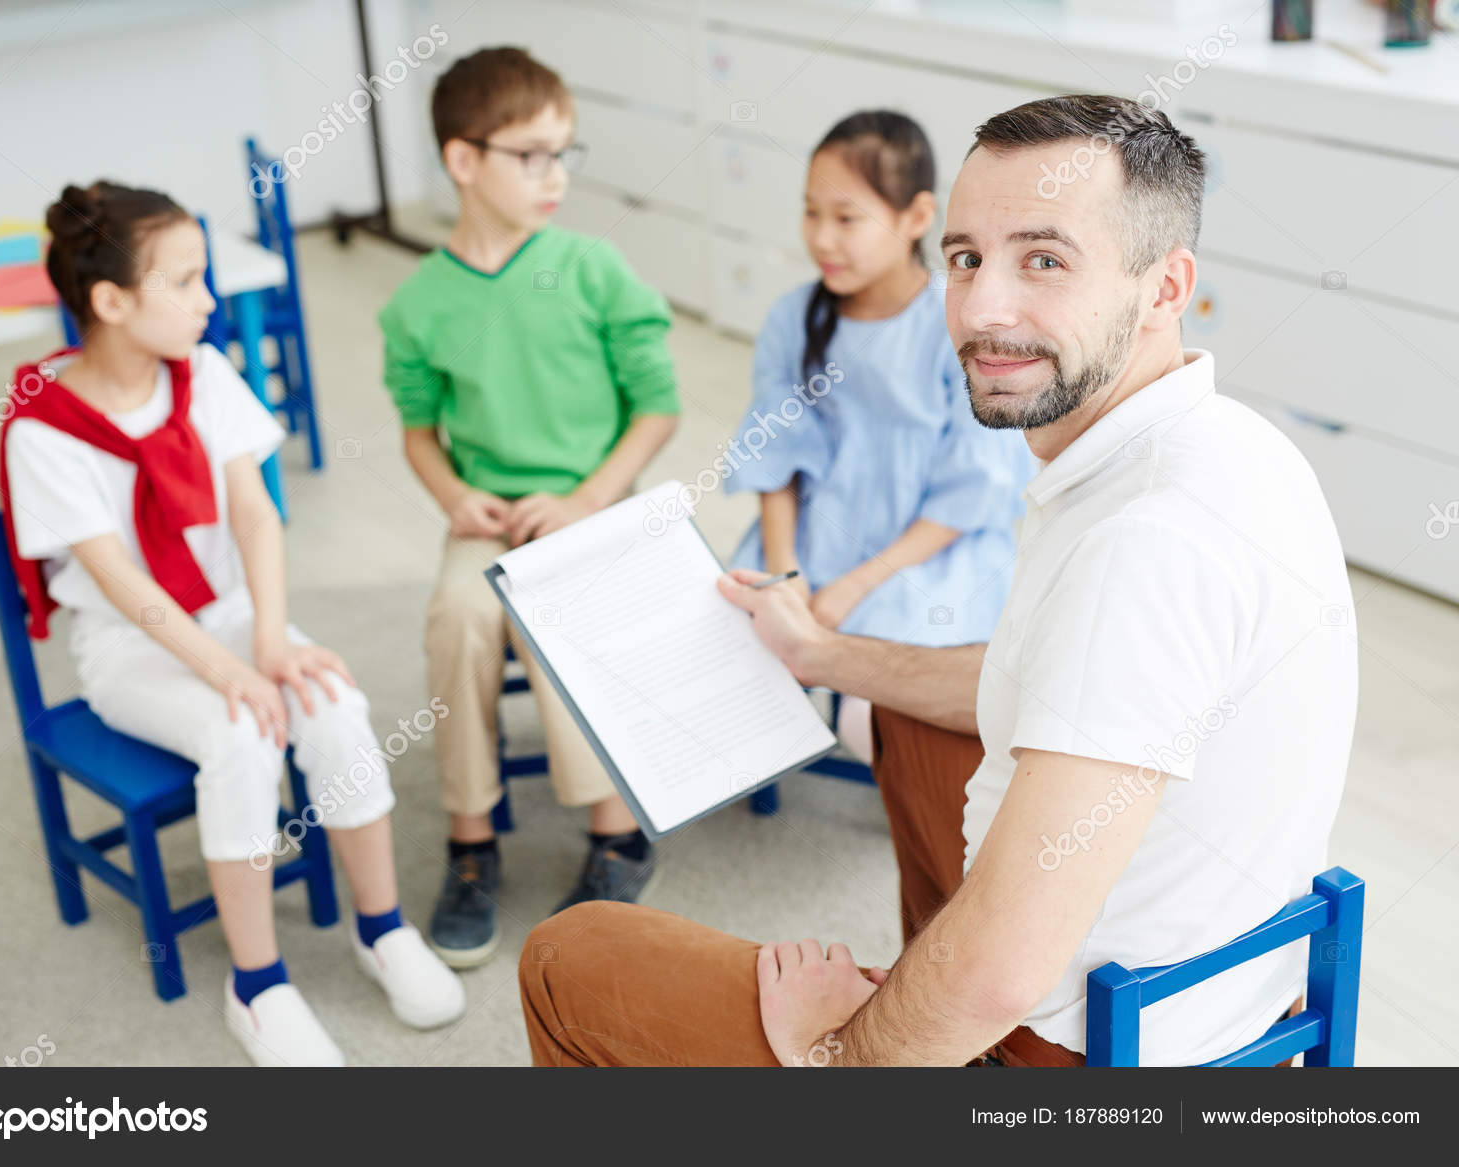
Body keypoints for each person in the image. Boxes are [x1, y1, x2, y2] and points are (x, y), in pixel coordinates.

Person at [517, 94, 1358, 1067]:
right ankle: (922, 990)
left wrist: (837, 1050)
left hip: (1086, 1052)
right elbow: (1049, 684)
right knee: (909, 715)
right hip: (1210, 984)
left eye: (1043, 260)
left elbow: (1001, 973)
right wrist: (821, 653)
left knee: (570, 954)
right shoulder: (1225, 445)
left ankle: (917, 1033)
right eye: (965, 260)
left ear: (1164, 288)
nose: (983, 307)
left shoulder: (1147, 542)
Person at [1, 181, 463, 1067]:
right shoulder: (42, 431)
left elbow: (255, 514)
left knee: (332, 701)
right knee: (242, 734)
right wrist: (230, 675)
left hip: (235, 616)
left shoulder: (203, 373)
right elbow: (123, 584)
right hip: (133, 648)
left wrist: (271, 640)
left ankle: (382, 926)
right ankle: (256, 985)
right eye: (185, 281)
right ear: (110, 301)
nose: (210, 299)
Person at [379, 48, 681, 971]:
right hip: (486, 520)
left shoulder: (595, 269)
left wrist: (585, 498)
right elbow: (420, 431)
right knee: (462, 613)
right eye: (531, 155)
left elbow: (658, 407)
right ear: (463, 161)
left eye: (564, 154)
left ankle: (617, 832)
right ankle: (471, 843)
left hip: (593, 506)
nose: (555, 175)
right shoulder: (417, 304)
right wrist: (454, 497)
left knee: (557, 613)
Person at [725, 111, 1031, 759]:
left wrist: (854, 587)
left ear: (916, 218)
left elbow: (973, 487)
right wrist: (786, 573)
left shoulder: (961, 323)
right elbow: (776, 463)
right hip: (814, 534)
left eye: (846, 217)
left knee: (878, 726)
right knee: (725, 669)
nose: (821, 238)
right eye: (811, 214)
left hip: (925, 552)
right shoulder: (792, 318)